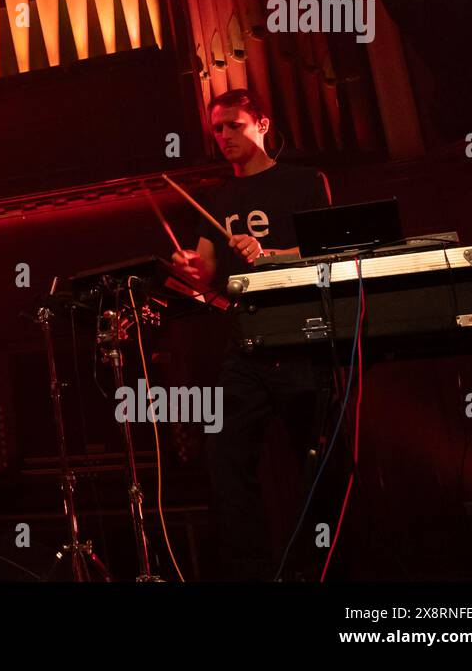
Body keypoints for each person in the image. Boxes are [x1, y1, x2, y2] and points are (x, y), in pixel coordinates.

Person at [170, 89, 335, 580]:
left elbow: (328, 251)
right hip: (245, 341)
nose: (223, 137)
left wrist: (270, 253)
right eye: (217, 129)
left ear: (262, 124)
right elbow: (204, 275)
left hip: (302, 337)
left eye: (234, 125)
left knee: (318, 464)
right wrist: (192, 268)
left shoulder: (305, 181)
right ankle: (254, 574)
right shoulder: (217, 198)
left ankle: (324, 569)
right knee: (224, 460)